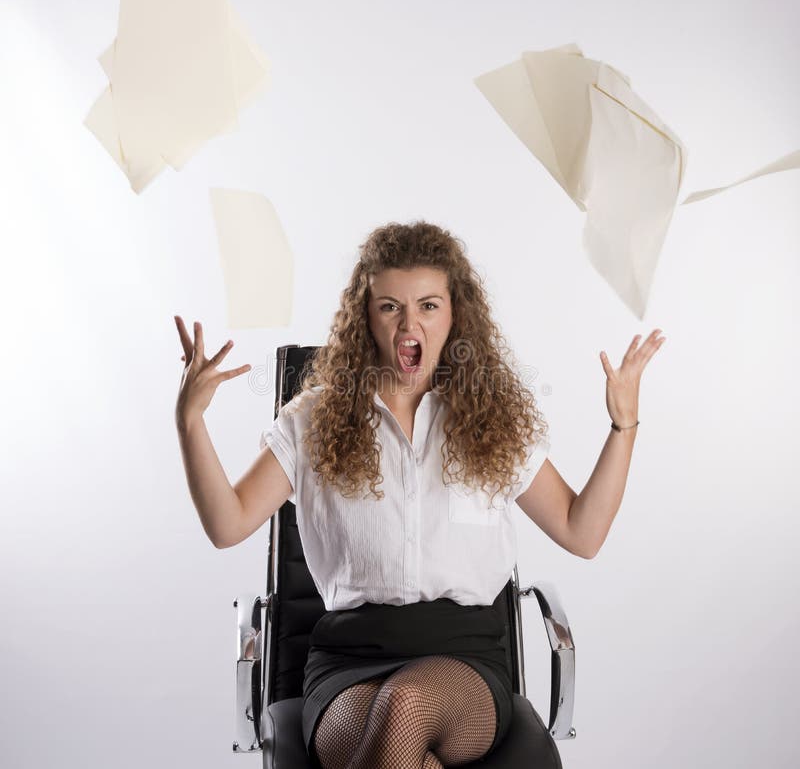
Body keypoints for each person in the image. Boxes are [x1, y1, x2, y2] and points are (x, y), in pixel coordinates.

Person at [174, 221, 664, 769]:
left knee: (404, 706)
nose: (410, 325)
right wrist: (191, 422)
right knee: (400, 743)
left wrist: (623, 427)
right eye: (389, 307)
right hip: (346, 668)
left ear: (456, 314)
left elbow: (582, 530)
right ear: (366, 317)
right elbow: (228, 523)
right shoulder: (312, 421)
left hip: (465, 664)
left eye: (428, 306)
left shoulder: (493, 421)